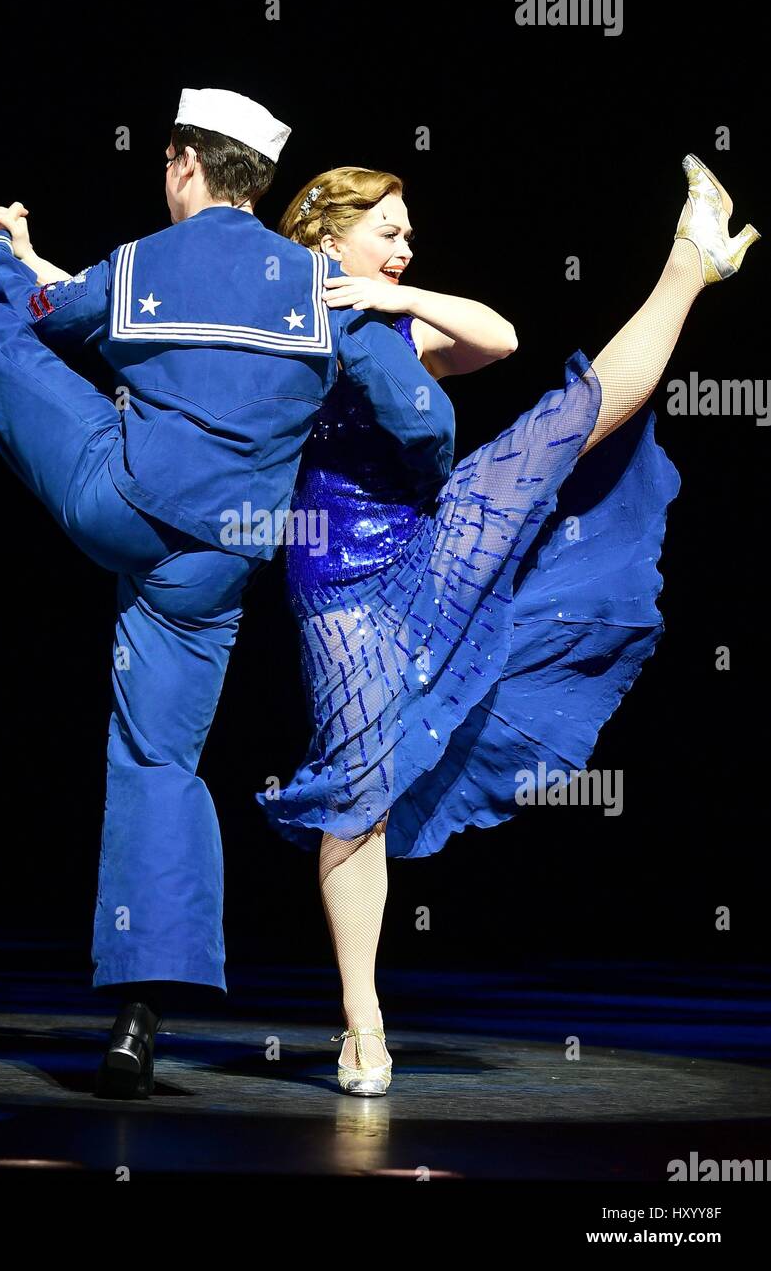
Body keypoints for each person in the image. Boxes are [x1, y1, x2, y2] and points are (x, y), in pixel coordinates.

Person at [0, 26, 462, 1099]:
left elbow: (45, 313)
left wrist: (1, 252)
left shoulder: (145, 264)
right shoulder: (319, 294)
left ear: (182, 162)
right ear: (254, 179)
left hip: (112, 497)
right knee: (159, 762)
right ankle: (138, 1014)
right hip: (215, 570)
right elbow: (427, 418)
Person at [258, 159, 760, 1094]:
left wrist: (378, 290)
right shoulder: (271, 317)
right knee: (357, 791)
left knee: (567, 423)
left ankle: (687, 264)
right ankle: (361, 1025)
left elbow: (498, 337)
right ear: (325, 230)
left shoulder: (392, 322)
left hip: (427, 542)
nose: (408, 245)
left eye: (409, 232)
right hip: (336, 586)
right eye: (389, 230)